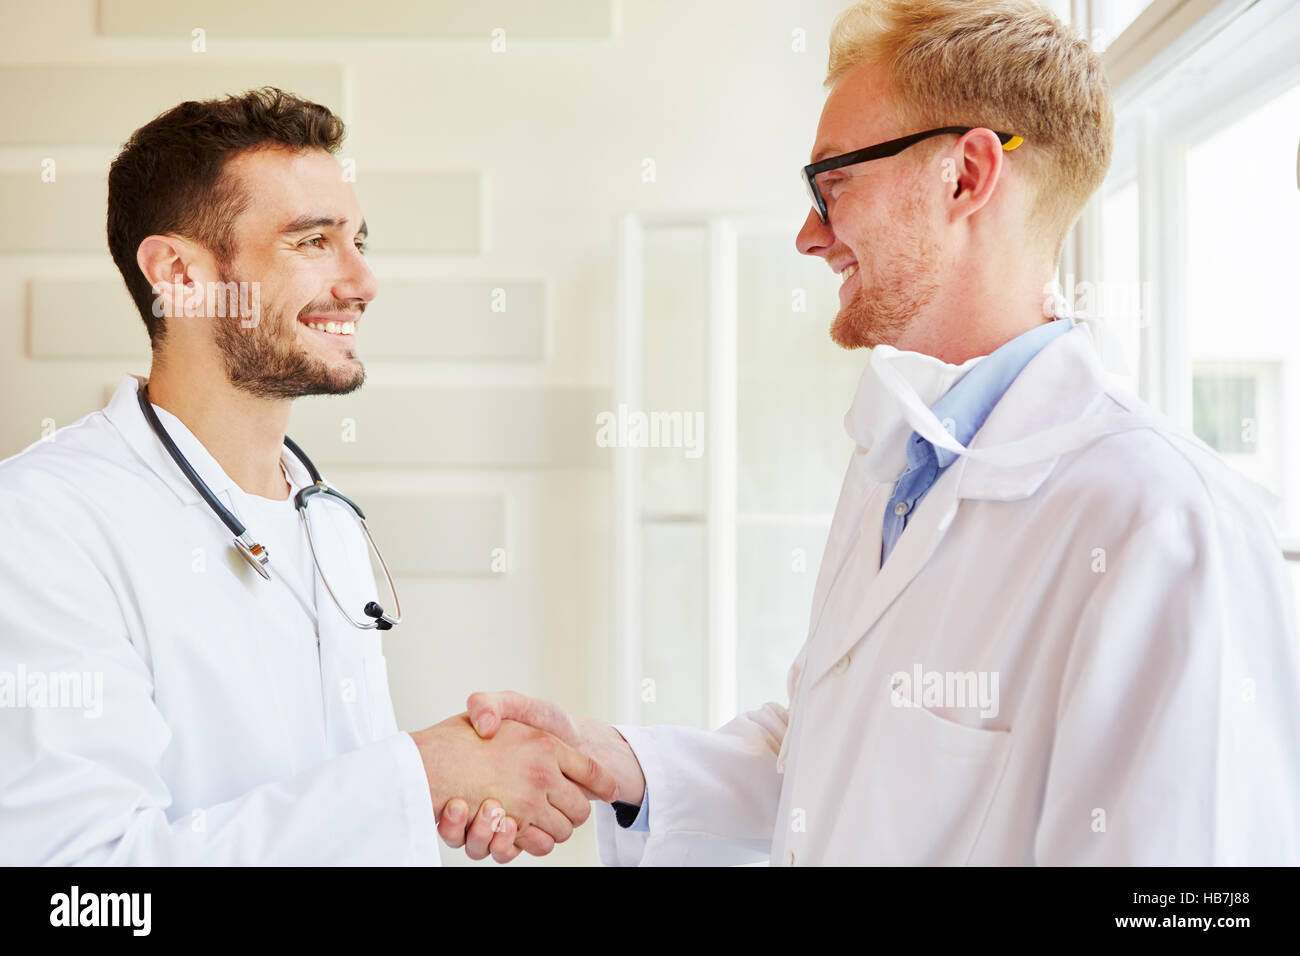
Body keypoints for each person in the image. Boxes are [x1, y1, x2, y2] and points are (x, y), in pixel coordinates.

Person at [444, 0, 1300, 865]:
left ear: (964, 177)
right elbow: (830, 762)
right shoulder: (900, 462)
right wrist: (616, 765)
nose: (808, 235)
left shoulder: (1167, 523)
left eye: (833, 183)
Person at [0, 88, 613, 865]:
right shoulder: (40, 524)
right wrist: (415, 776)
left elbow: (326, 807)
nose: (362, 281)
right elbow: (82, 890)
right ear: (179, 274)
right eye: (312, 242)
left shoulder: (322, 516)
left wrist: (433, 798)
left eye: (359, 239)